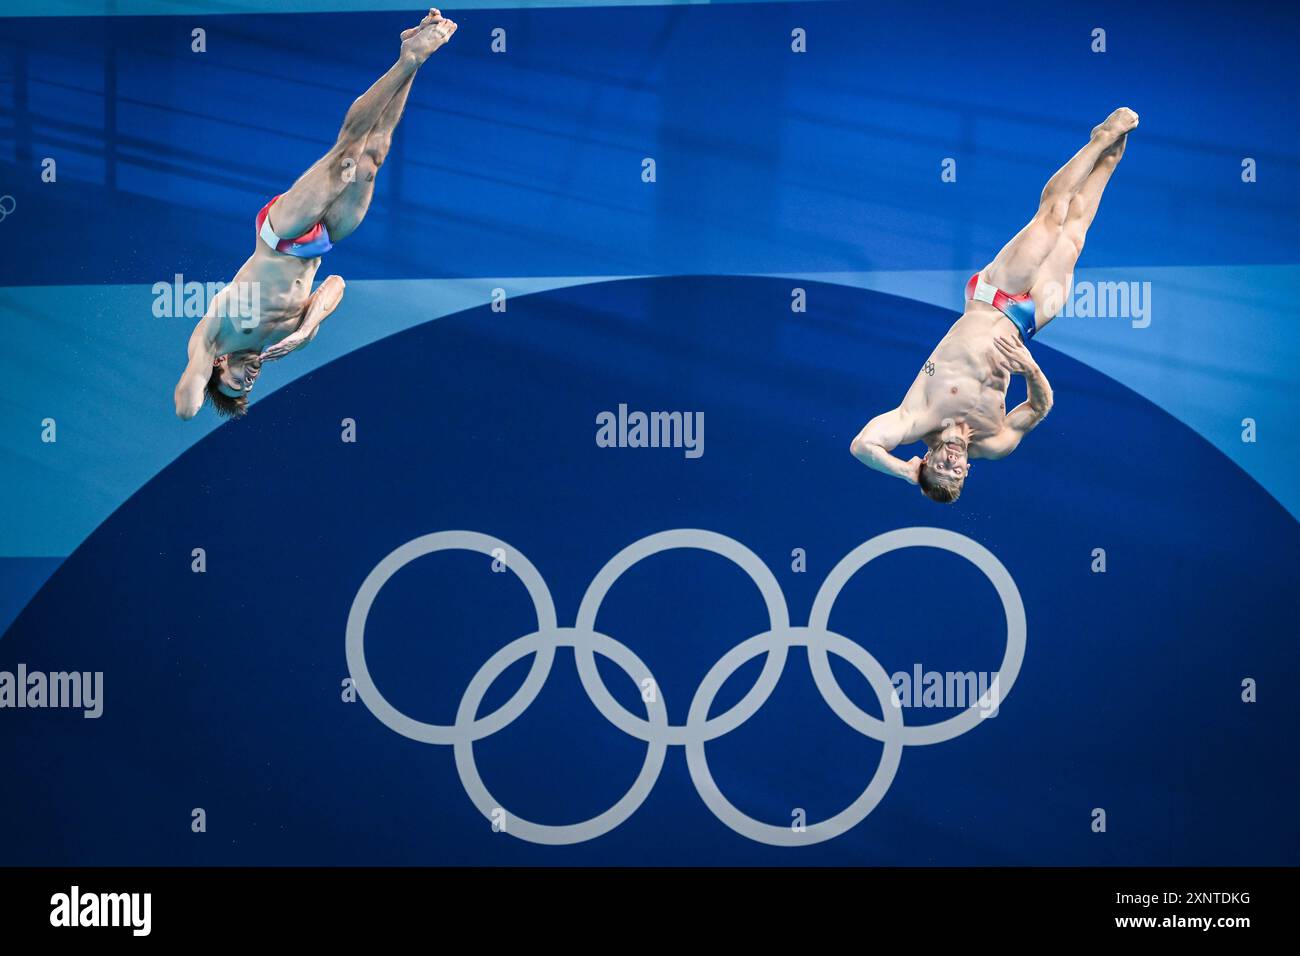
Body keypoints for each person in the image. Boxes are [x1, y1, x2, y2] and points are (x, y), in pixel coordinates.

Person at [174, 10, 458, 420]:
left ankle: (408, 59)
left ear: (217, 367)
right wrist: (307, 330)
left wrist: (198, 383)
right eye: (249, 386)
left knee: (346, 150)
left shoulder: (216, 337)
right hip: (323, 241)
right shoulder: (286, 340)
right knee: (372, 158)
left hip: (281, 235)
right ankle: (415, 53)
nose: (247, 380)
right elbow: (335, 285)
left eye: (236, 383)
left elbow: (186, 407)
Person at [850, 108, 1139, 502]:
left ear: (926, 460)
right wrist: (1031, 371)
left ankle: (1100, 138)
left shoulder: (917, 417)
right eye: (957, 472)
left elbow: (862, 446)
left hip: (992, 297)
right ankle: (1110, 158)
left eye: (939, 467)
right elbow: (1039, 409)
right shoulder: (994, 442)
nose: (951, 462)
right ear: (967, 471)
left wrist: (904, 473)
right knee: (1075, 233)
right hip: (1027, 321)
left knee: (1052, 217)